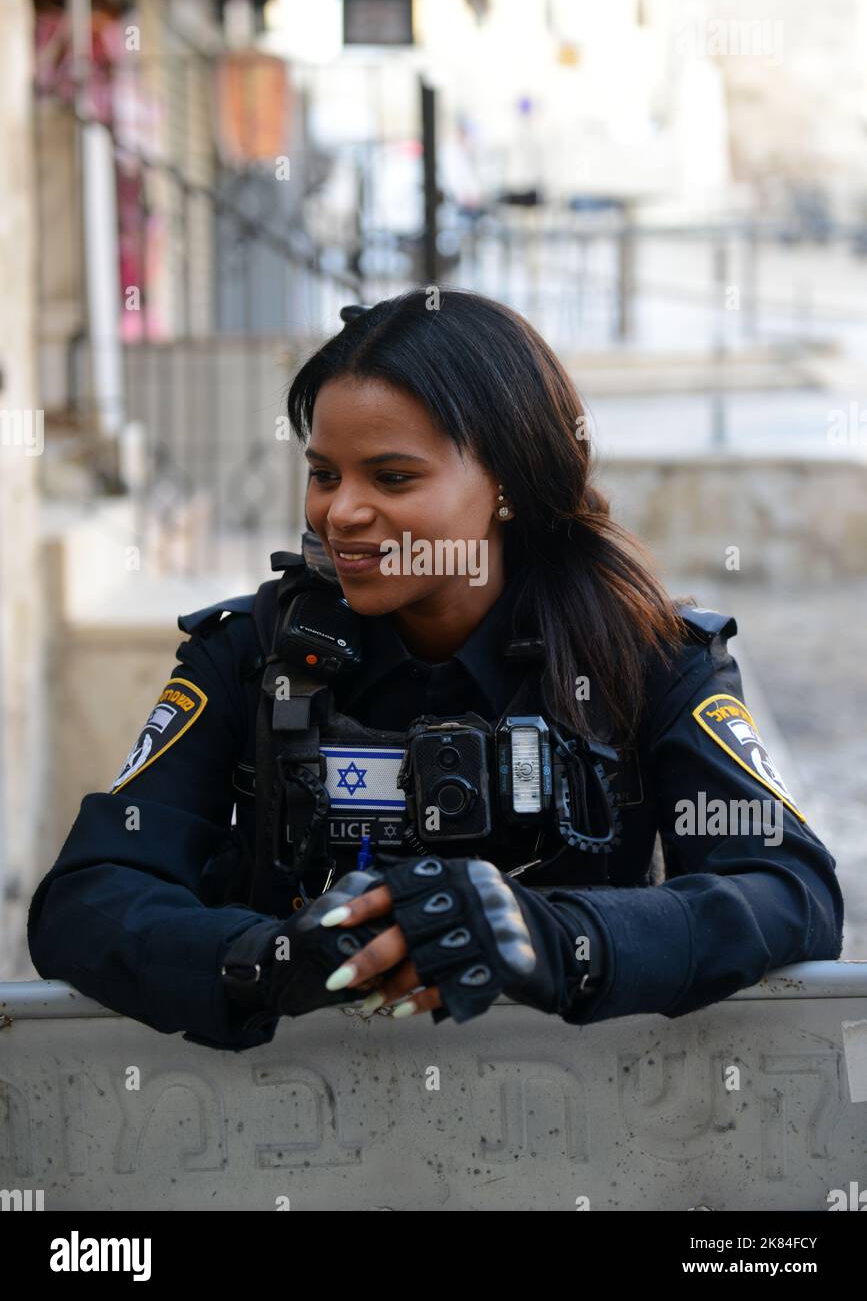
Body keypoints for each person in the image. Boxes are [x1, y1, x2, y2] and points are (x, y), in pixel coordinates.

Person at [27, 288, 844, 1053]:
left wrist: (551, 938)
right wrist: (273, 957)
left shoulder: (646, 657)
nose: (340, 511)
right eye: (322, 474)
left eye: (392, 477)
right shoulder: (251, 653)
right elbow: (87, 899)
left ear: (508, 485)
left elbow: (787, 892)